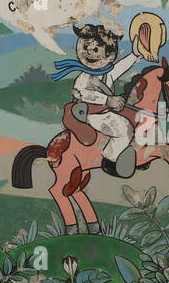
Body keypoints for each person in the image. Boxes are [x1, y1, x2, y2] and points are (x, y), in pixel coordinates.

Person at [53, 24, 143, 178]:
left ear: (109, 54)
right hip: (92, 114)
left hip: (103, 112)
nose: (89, 52)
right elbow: (83, 93)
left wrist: (135, 55)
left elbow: (120, 68)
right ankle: (110, 160)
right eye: (86, 46)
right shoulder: (84, 75)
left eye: (95, 49)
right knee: (124, 128)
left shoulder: (106, 73)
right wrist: (107, 100)